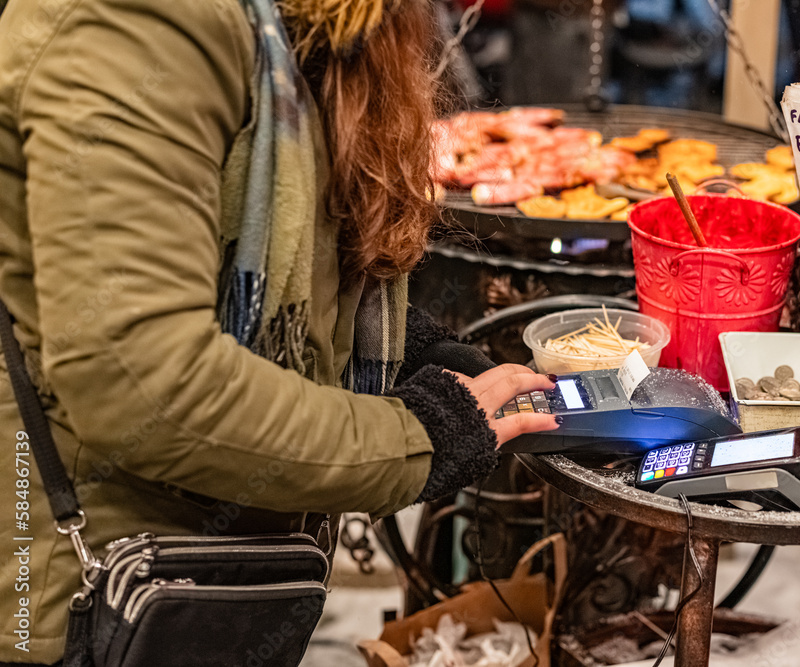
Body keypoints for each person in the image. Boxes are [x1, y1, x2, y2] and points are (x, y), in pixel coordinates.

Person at [0, 0, 558, 663]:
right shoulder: (137, 21)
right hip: (81, 599)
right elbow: (142, 381)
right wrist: (416, 440)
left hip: (204, 585)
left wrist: (397, 349)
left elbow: (244, 252)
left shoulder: (309, 21)